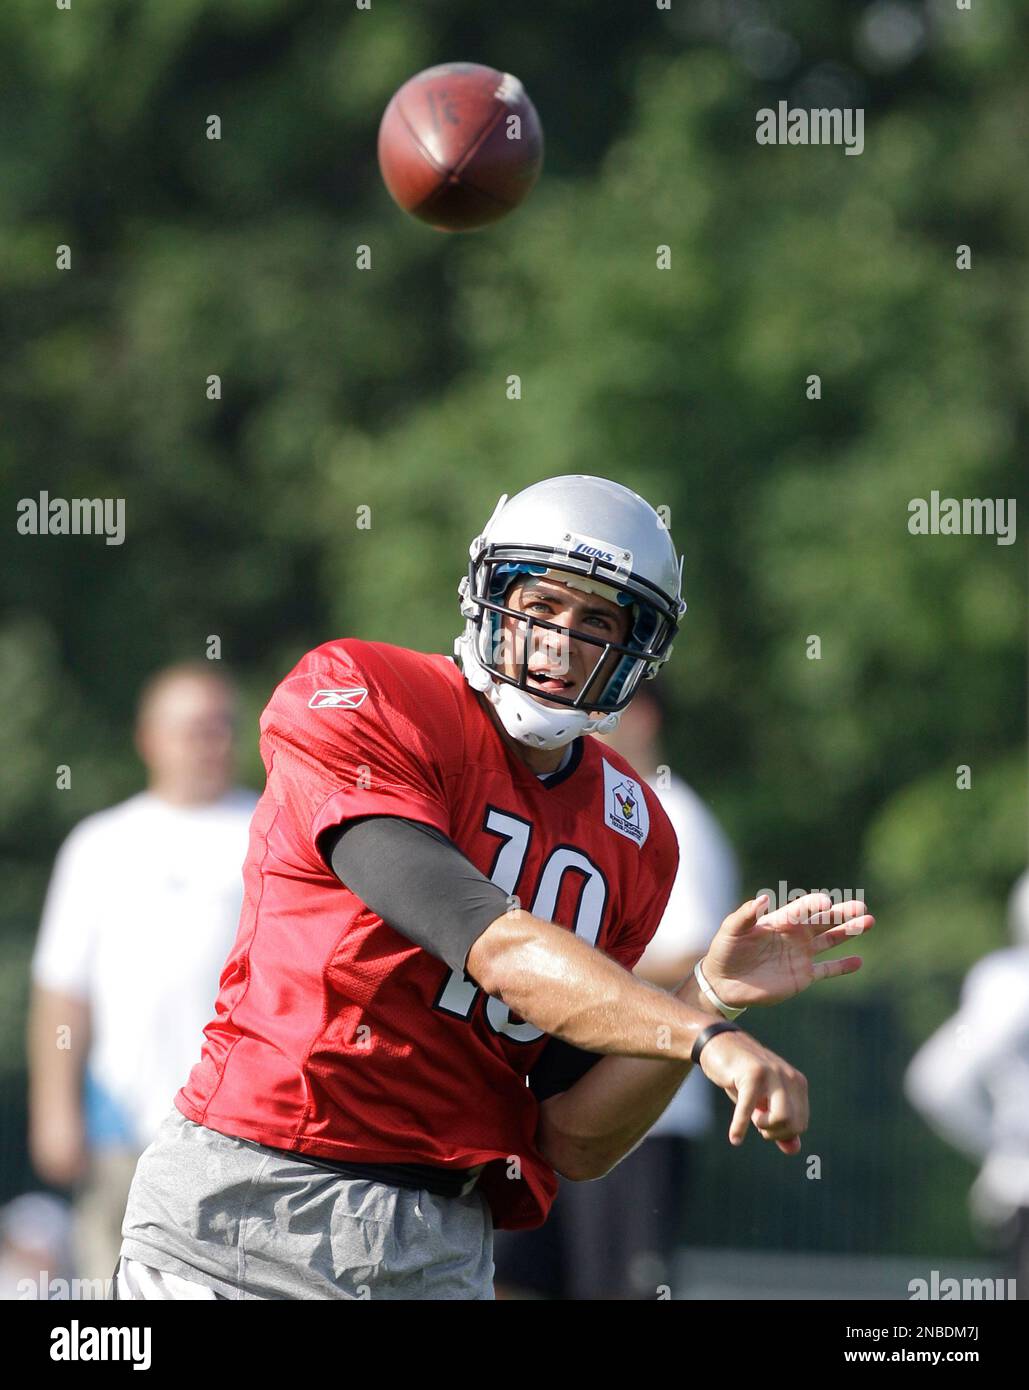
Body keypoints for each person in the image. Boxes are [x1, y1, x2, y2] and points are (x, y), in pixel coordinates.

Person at [114, 475, 872, 1301]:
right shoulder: (367, 693)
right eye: (542, 606)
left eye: (596, 623)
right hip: (252, 1209)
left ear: (636, 651)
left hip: (439, 1242)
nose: (559, 642)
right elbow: (491, 941)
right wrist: (701, 1040)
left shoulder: (635, 830)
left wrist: (709, 994)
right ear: (487, 596)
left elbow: (575, 1140)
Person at [493, 683, 740, 1298]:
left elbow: (696, 956)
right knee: (510, 1278)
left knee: (616, 1290)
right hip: (551, 1105)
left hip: (636, 1117)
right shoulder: (578, 802)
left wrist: (560, 973)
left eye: (606, 707)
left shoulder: (671, 813)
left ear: (645, 716)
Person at [27, 663, 257, 1289]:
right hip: (123, 1127)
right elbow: (61, 994)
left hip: (239, 1131)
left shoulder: (270, 834)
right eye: (190, 729)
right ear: (148, 738)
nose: (208, 743)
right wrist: (54, 1108)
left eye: (220, 727)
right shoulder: (101, 844)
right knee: (117, 1294)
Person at [904, 870, 1029, 1297]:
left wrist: (1004, 1156)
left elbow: (938, 1083)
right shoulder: (1014, 986)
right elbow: (937, 1081)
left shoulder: (1008, 980)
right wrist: (1006, 1152)